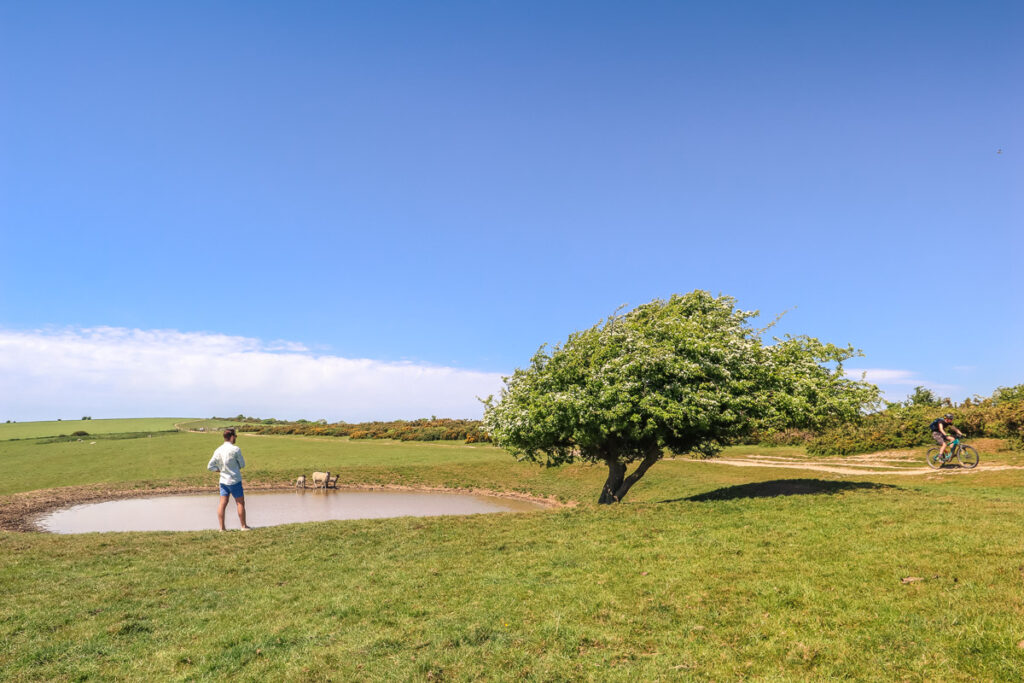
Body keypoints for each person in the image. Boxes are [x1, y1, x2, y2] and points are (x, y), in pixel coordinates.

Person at [207, 428, 249, 530]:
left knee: (222, 504)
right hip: (235, 480)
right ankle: (243, 526)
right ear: (232, 436)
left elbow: (210, 466)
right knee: (240, 503)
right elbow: (242, 465)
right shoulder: (236, 449)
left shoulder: (218, 450)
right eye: (235, 436)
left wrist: (220, 470)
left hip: (223, 481)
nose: (236, 438)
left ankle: (222, 528)